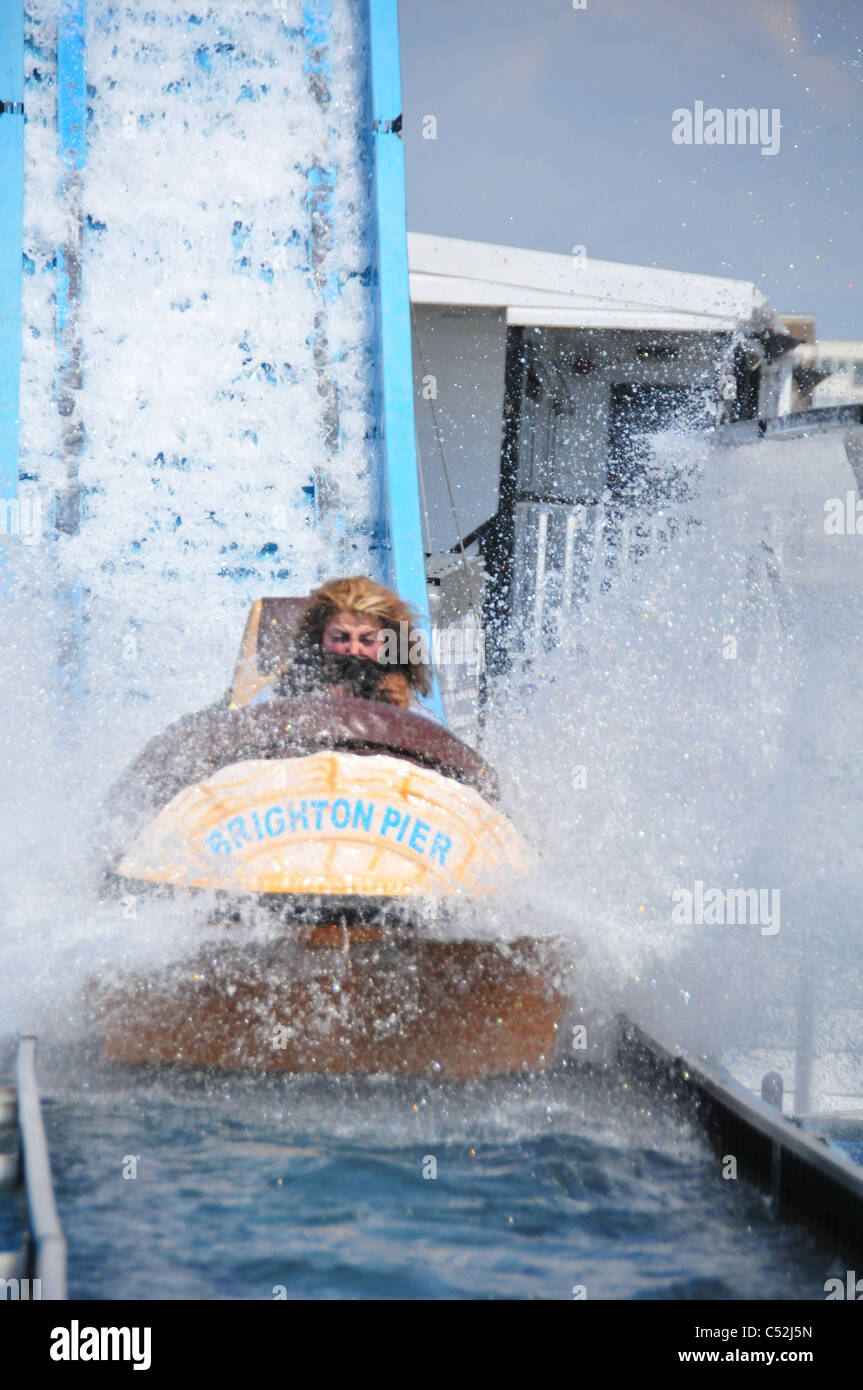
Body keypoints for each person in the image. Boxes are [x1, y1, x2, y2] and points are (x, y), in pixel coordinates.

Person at [251, 575, 432, 710]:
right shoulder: (278, 696)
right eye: (340, 638)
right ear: (318, 639)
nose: (353, 650)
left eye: (367, 640)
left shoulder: (408, 708)